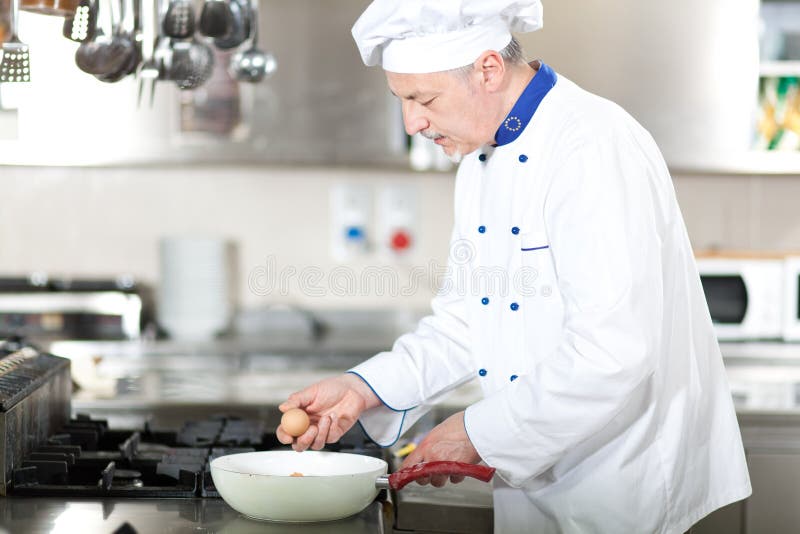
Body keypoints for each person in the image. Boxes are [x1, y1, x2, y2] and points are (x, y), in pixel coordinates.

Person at [277, 1, 752, 532]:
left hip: (618, 482)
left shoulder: (591, 146)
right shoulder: (481, 157)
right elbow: (466, 321)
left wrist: (477, 432)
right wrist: (362, 389)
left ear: (487, 68)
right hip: (533, 479)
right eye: (401, 101)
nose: (412, 122)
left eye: (423, 98)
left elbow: (613, 349)